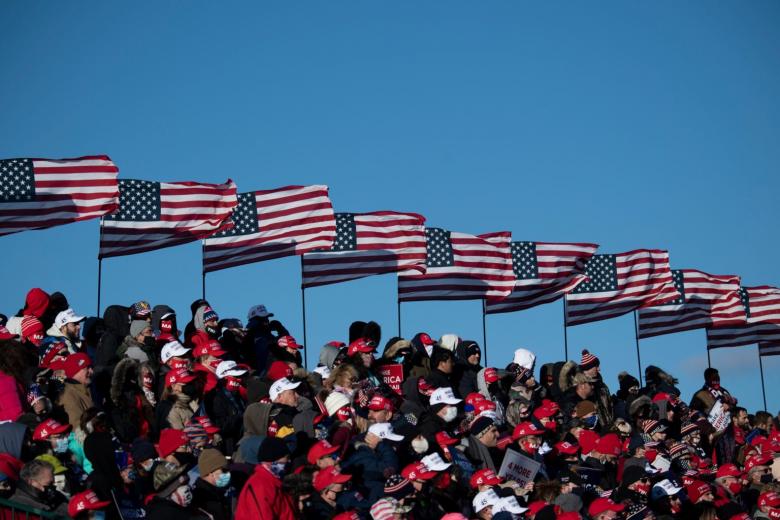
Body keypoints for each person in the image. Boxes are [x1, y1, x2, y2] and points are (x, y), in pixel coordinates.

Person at [234, 437, 296, 520]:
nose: (289, 461)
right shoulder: (260, 485)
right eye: (286, 457)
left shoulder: (275, 481)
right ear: (273, 459)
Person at [192, 448, 233, 520]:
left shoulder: (218, 491)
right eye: (224, 470)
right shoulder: (201, 500)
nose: (228, 473)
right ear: (210, 472)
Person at [58, 353, 95, 429]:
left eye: (91, 367)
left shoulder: (89, 387)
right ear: (76, 371)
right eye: (87, 367)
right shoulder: (69, 396)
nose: (91, 371)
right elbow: (78, 429)